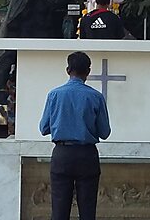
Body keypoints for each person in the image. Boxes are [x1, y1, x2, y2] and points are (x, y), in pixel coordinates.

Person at [39, 51, 111, 220]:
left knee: (59, 210)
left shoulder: (54, 95)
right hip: (87, 156)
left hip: (62, 155)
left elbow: (43, 128)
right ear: (88, 71)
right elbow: (105, 132)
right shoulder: (96, 97)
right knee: (87, 210)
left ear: (67, 70)